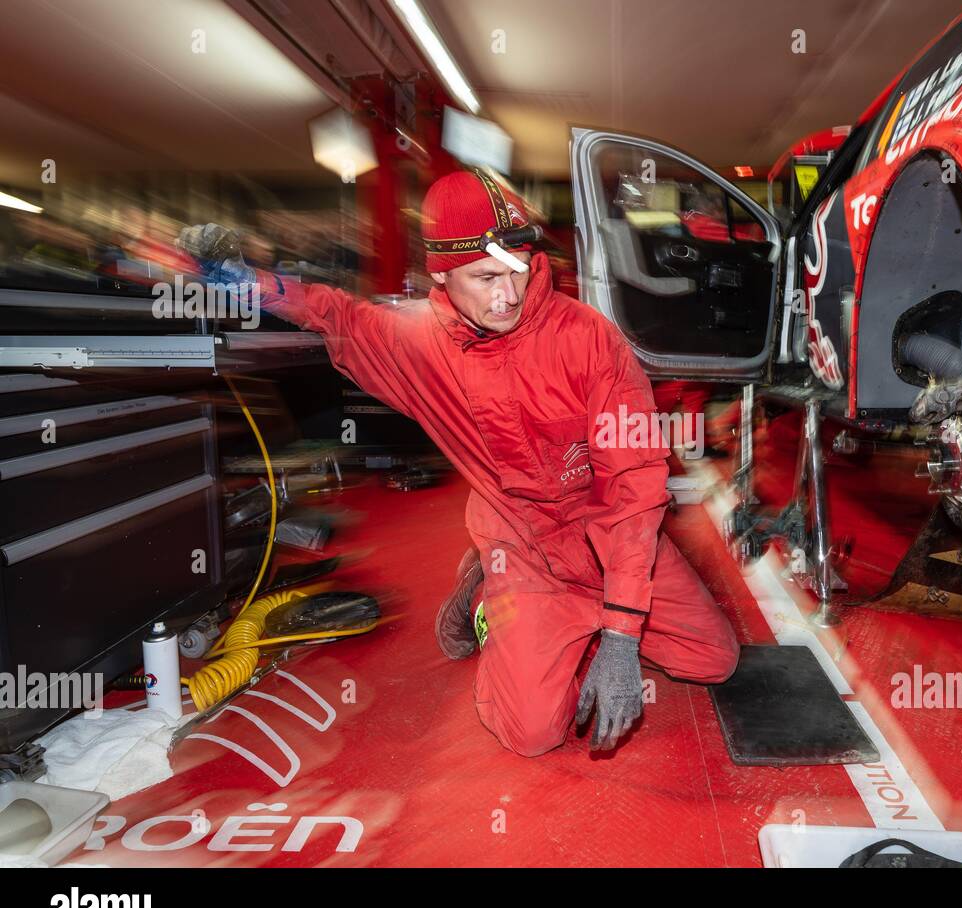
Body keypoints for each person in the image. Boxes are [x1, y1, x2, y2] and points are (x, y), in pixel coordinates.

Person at [177, 168, 739, 756]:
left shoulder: (588, 339)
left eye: (518, 270)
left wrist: (621, 635)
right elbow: (334, 314)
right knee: (532, 734)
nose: (510, 293)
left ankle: (588, 622)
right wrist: (246, 282)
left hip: (607, 539)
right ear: (441, 275)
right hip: (520, 549)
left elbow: (632, 488)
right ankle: (486, 596)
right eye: (486, 277)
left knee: (714, 659)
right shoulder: (418, 341)